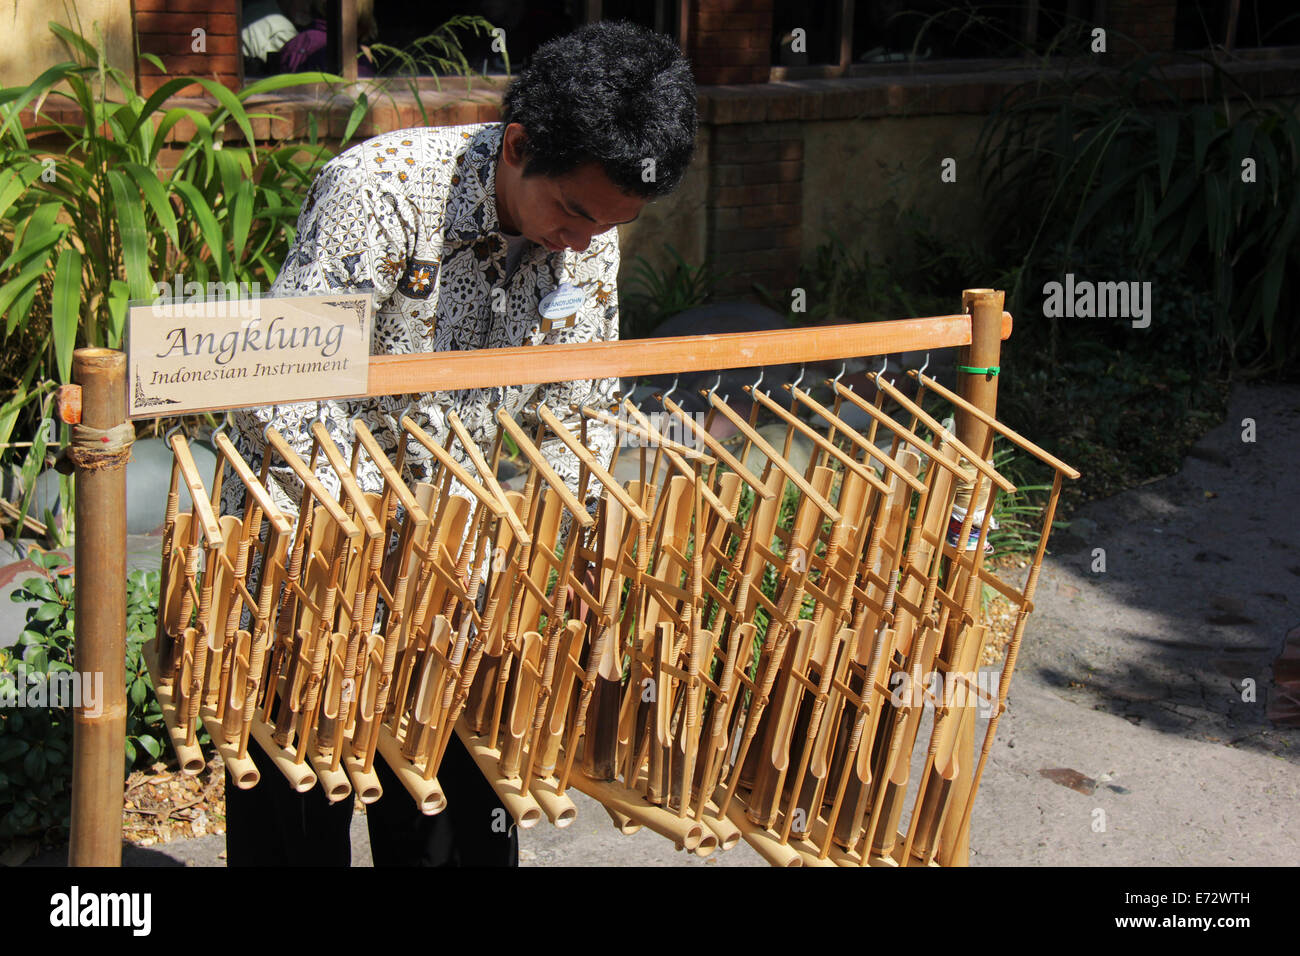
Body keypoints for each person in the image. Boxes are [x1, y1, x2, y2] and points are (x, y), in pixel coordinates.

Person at [223, 20, 698, 867]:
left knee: (457, 836)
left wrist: (578, 554)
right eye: (576, 213)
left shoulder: (586, 241)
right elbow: (285, 396)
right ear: (517, 145)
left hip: (459, 586)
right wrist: (403, 535)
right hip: (313, 555)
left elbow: (577, 413)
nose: (584, 243)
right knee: (297, 834)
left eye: (611, 225)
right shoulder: (379, 193)